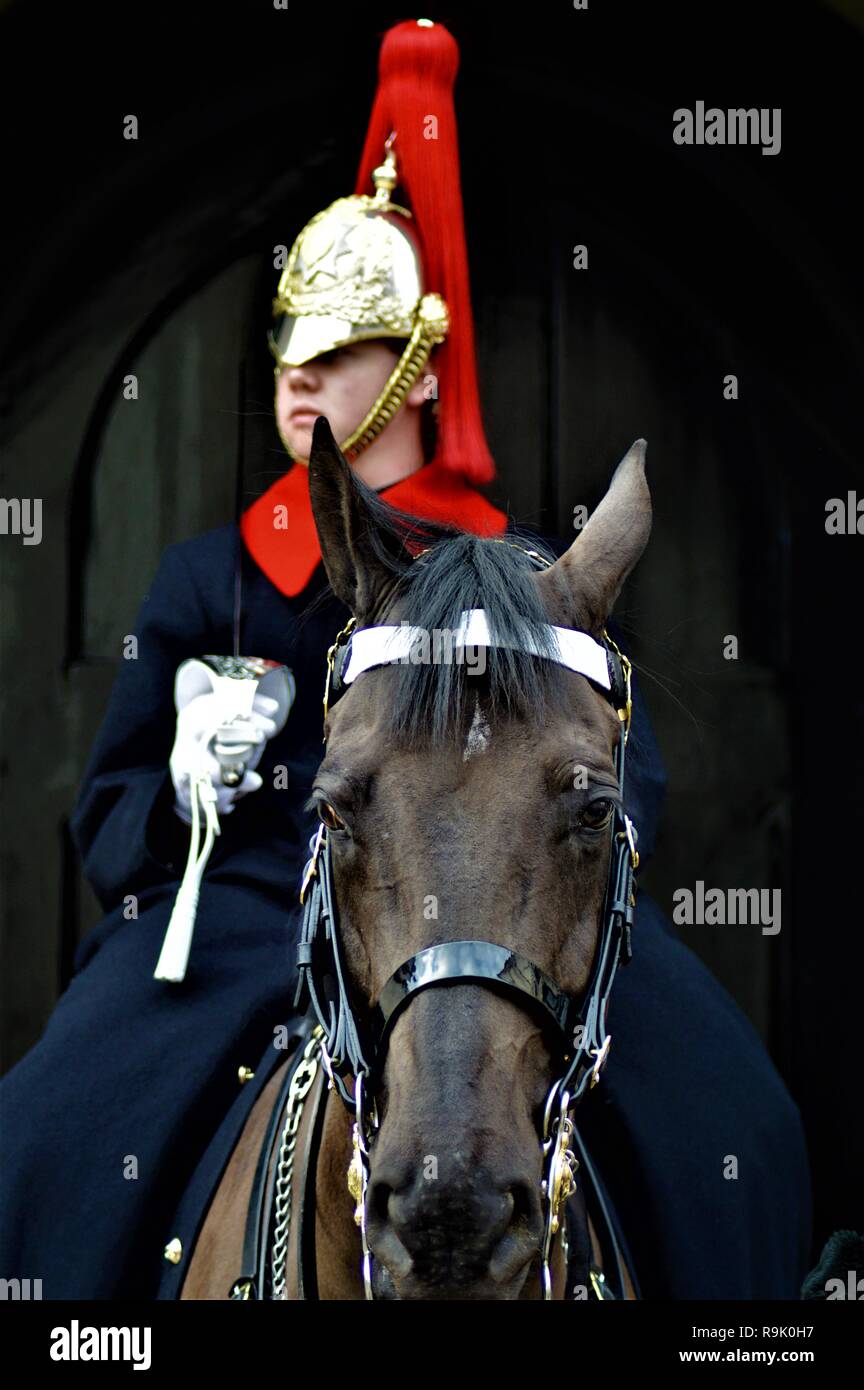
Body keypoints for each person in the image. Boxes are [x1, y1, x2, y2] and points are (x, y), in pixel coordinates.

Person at [0, 19, 811, 1302]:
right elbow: (110, 830)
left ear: (416, 364)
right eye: (290, 354)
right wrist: (191, 787)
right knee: (46, 1124)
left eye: (338, 355)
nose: (301, 380)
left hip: (504, 915)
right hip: (250, 922)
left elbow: (620, 796)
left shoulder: (531, 579)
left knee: (740, 1118)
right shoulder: (203, 580)